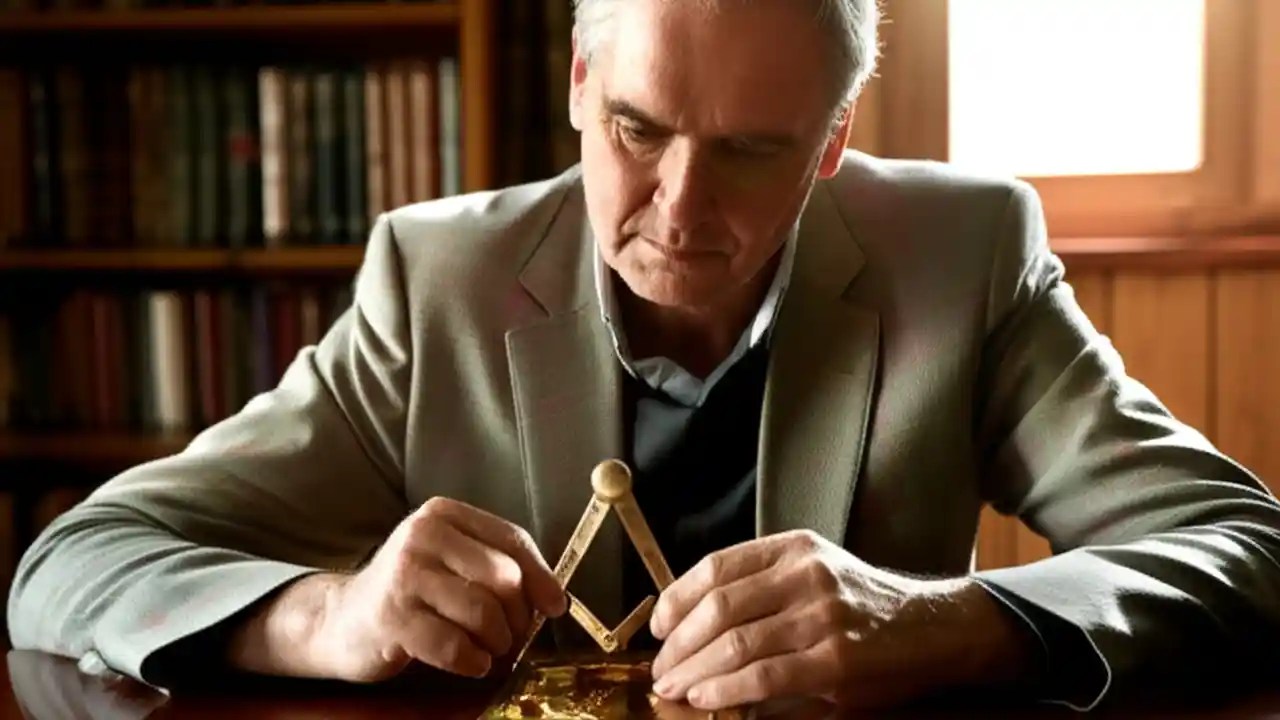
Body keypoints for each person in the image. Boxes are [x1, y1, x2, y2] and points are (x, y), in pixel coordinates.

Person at [9, 0, 1280, 713]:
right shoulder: (435, 278)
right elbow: (71, 565)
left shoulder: (963, 256)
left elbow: (1246, 550)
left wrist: (943, 626)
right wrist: (324, 613)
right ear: (574, 86)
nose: (676, 207)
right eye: (635, 127)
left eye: (749, 151)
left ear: (832, 142)